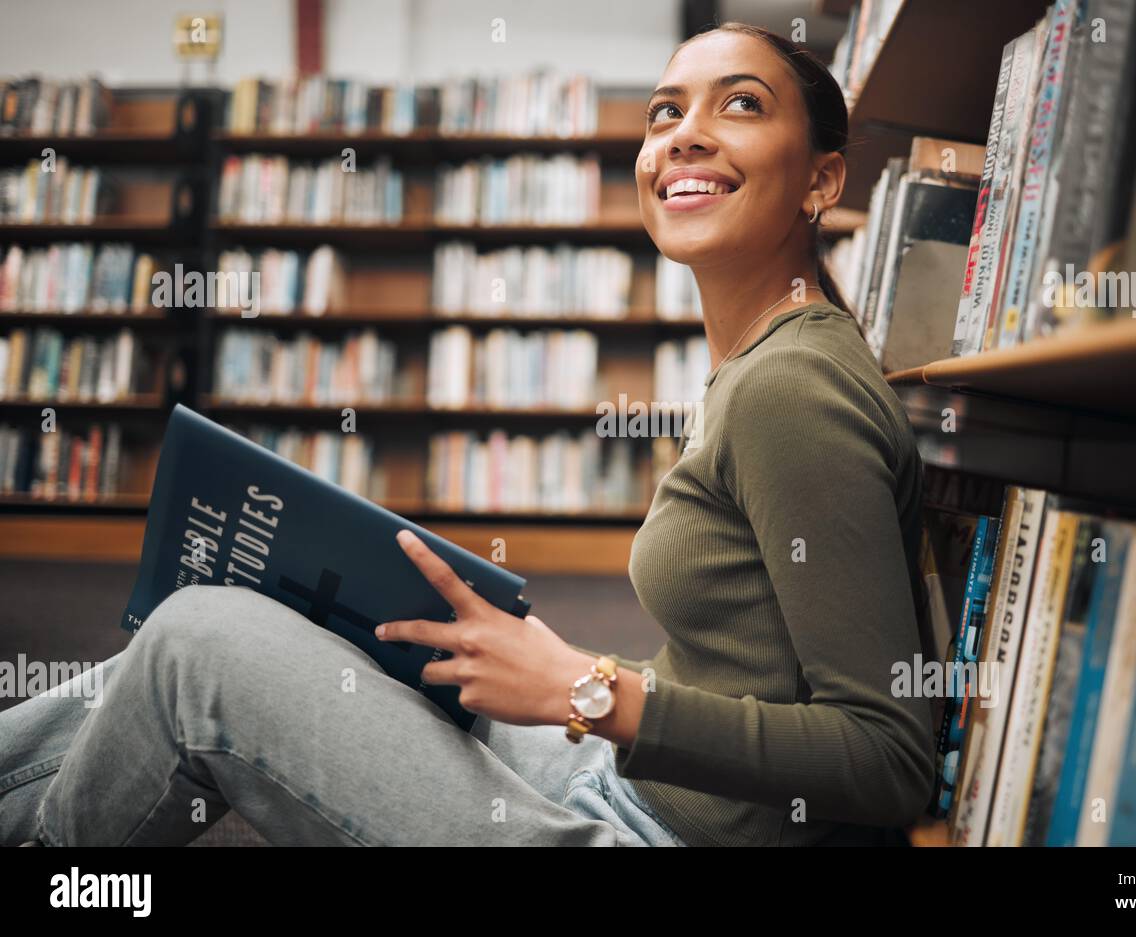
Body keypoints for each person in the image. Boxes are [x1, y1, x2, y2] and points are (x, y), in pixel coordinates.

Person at [0, 22, 933, 847]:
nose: (683, 132)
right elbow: (748, 671)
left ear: (822, 178)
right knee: (325, 618)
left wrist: (585, 688)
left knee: (200, 647)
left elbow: (888, 756)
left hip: (648, 826)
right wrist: (562, 672)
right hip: (636, 782)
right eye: (662, 111)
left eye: (740, 104)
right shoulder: (764, 358)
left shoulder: (790, 387)